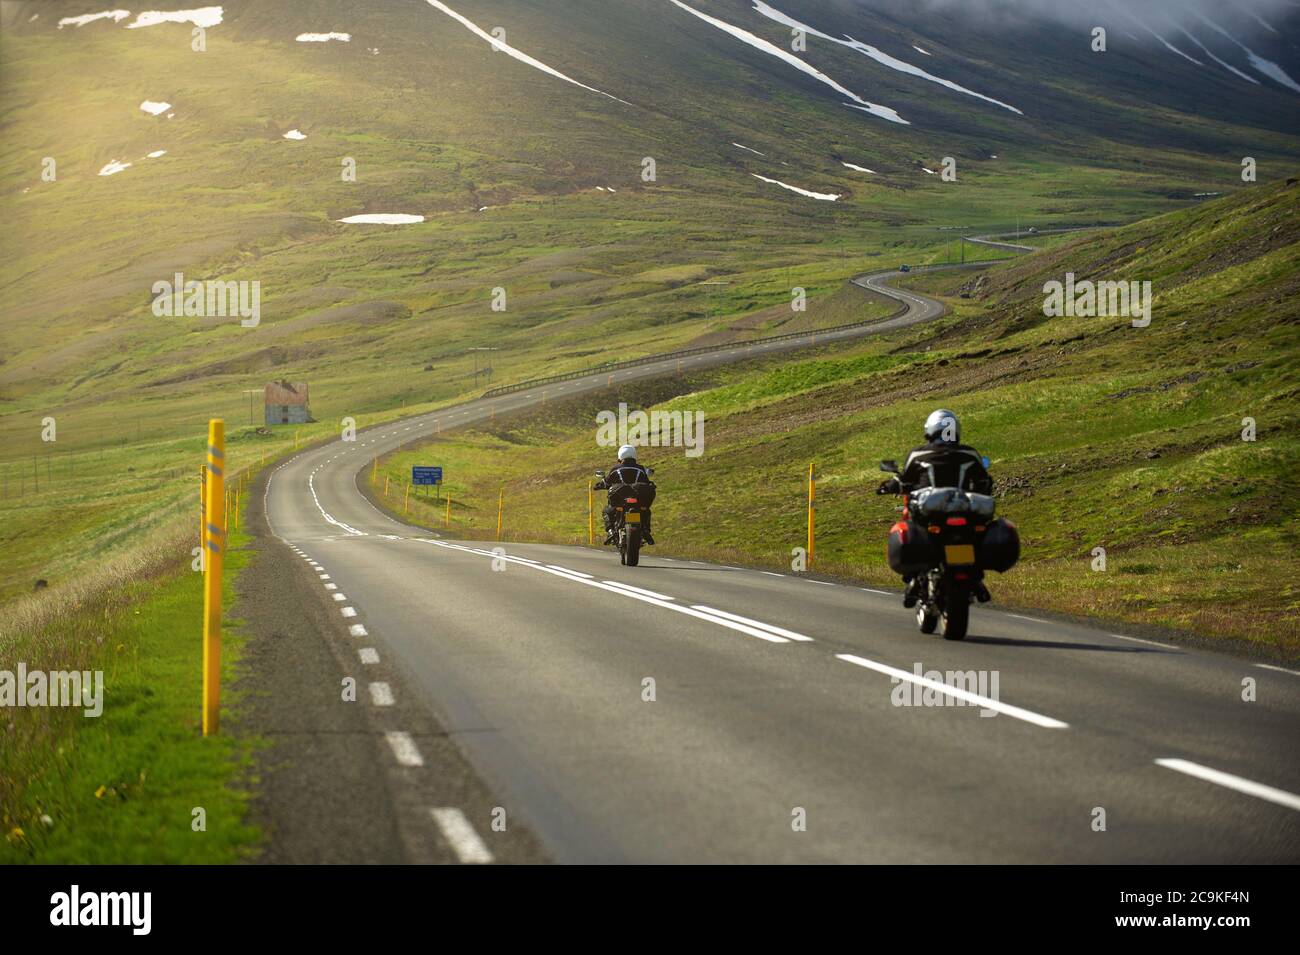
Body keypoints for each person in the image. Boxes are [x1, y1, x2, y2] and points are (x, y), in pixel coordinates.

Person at [878, 409, 993, 606]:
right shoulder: (969, 453)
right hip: (964, 513)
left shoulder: (919, 454)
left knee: (912, 525)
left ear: (930, 430)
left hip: (931, 514)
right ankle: (976, 577)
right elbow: (985, 482)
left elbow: (903, 480)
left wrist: (887, 487)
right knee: (976, 532)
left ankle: (912, 577)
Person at [595, 445, 655, 545]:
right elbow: (647, 483)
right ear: (634, 455)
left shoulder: (615, 469)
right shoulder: (641, 469)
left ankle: (610, 532)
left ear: (620, 456)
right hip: (638, 502)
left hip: (620, 502)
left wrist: (598, 485)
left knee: (607, 511)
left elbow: (606, 482)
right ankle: (645, 531)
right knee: (646, 511)